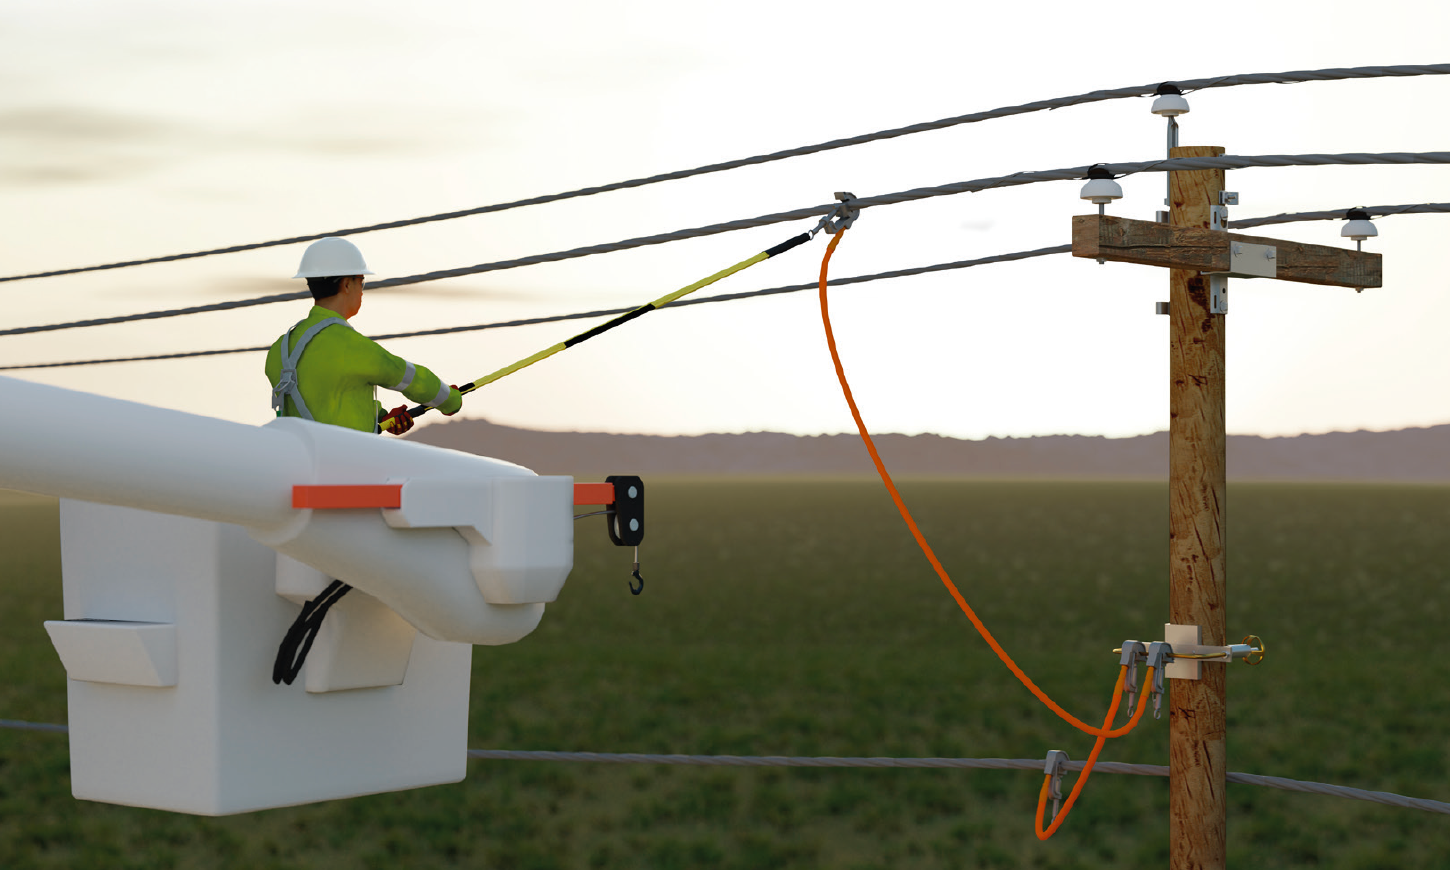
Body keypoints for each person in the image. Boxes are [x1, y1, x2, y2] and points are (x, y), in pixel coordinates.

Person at [266, 237, 462, 435]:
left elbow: (326, 396)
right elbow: (410, 377)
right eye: (362, 281)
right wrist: (450, 399)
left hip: (299, 463)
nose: (362, 291)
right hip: (347, 462)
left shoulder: (279, 351)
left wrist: (381, 416)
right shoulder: (352, 347)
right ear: (346, 284)